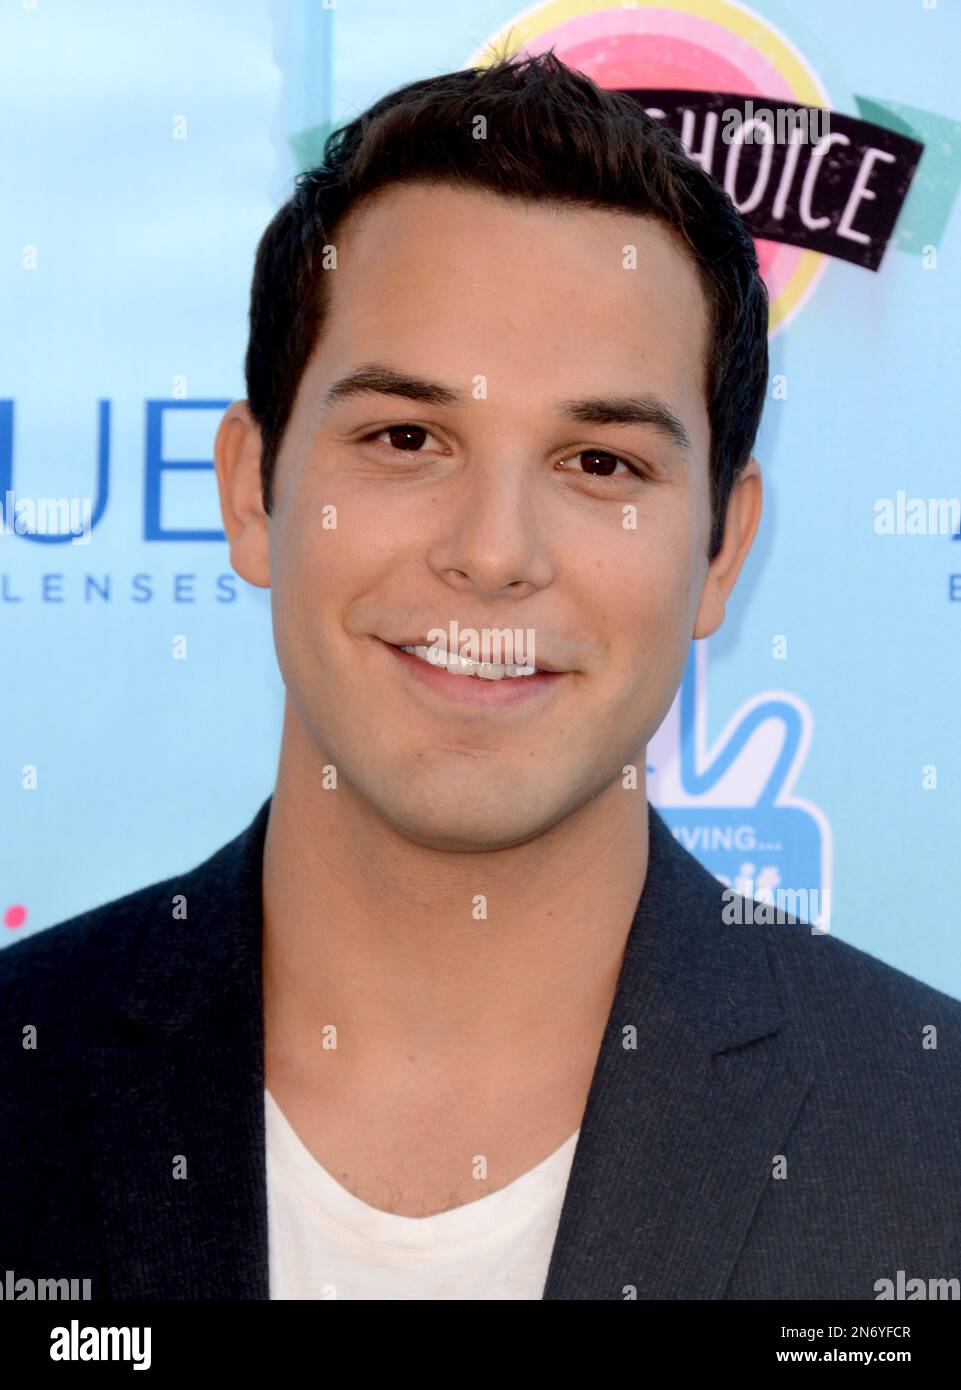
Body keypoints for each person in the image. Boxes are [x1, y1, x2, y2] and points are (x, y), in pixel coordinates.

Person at [2, 51, 959, 1303]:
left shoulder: (925, 1151)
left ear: (723, 547)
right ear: (251, 489)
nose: (494, 553)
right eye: (406, 438)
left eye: (600, 463)